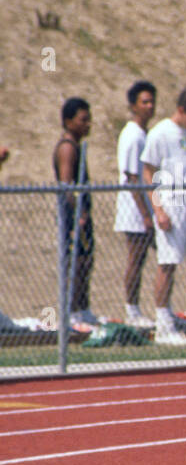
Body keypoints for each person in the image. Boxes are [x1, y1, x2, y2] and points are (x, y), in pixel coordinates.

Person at [140, 84, 186, 345]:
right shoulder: (160, 133)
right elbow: (148, 171)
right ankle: (164, 325)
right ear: (182, 109)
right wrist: (158, 208)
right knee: (168, 264)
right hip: (170, 201)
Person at [114, 80, 157, 328]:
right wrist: (145, 214)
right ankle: (132, 310)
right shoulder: (132, 136)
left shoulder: (144, 134)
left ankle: (158, 307)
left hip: (147, 206)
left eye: (152, 102)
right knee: (136, 258)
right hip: (135, 208)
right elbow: (131, 177)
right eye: (144, 102)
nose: (150, 106)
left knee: (159, 256)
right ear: (133, 106)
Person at [52, 97, 98, 328]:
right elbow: (66, 184)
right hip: (74, 217)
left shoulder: (78, 145)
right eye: (83, 119)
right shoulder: (68, 147)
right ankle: (73, 312)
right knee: (77, 262)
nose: (88, 124)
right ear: (69, 121)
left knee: (87, 261)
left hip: (83, 214)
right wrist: (77, 213)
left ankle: (83, 307)